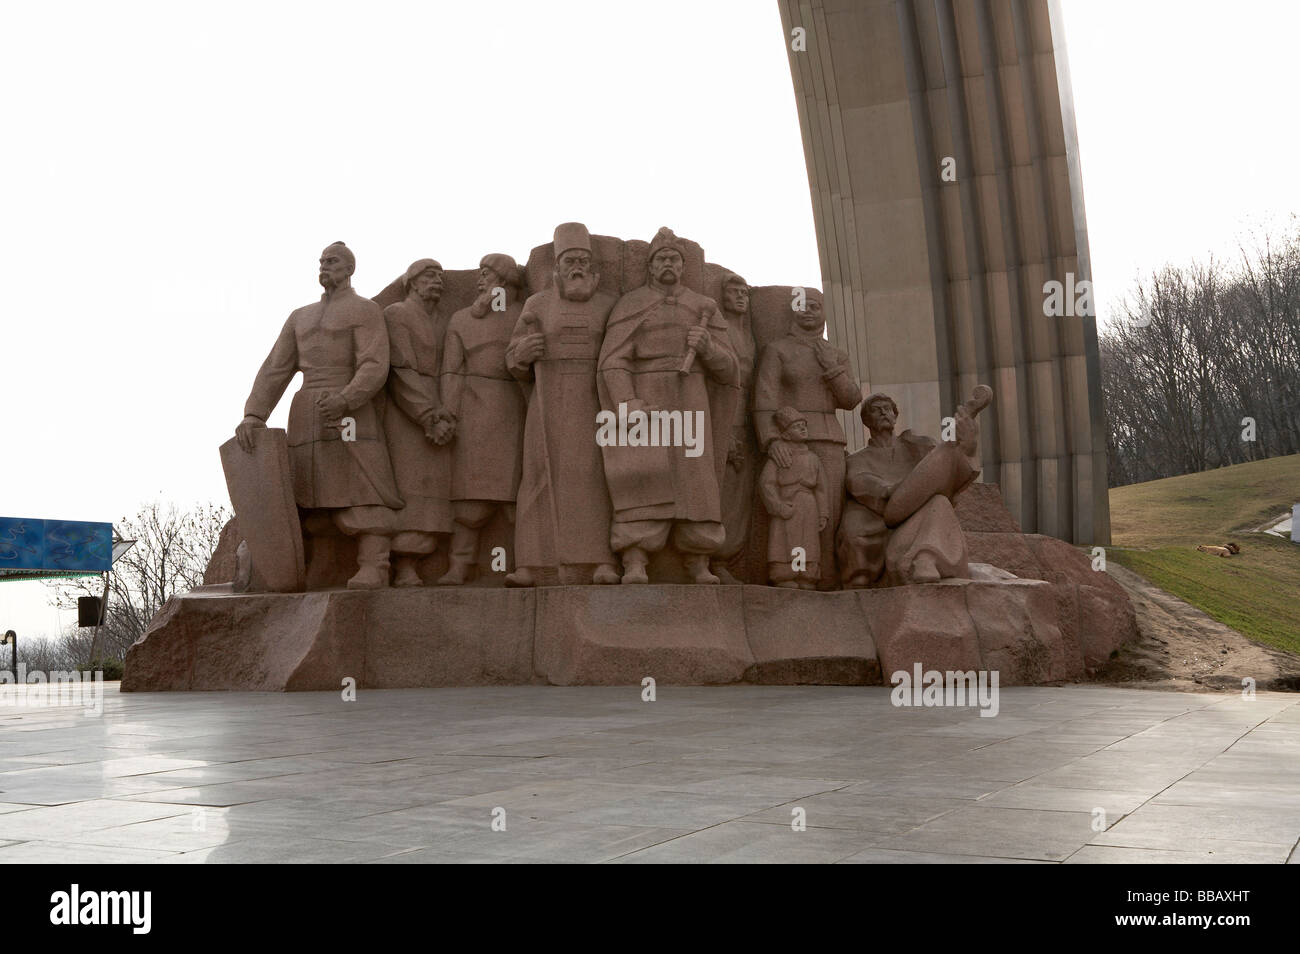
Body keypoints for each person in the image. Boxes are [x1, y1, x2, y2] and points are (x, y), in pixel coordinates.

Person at [235, 242, 401, 589]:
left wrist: (346, 399)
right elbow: (275, 369)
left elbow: (374, 364)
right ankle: (323, 563)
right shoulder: (300, 317)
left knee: (364, 484)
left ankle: (375, 564)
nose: (325, 266)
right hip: (306, 411)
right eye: (322, 261)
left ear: (349, 269)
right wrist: (254, 414)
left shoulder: (364, 310)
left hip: (351, 409)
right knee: (309, 490)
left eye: (333, 261)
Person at [597, 227, 738, 584]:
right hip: (646, 397)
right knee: (641, 477)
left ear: (683, 265)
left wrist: (708, 348)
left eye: (673, 259)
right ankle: (635, 557)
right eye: (661, 259)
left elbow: (729, 370)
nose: (667, 264)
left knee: (695, 479)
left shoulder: (703, 307)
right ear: (650, 266)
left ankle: (697, 560)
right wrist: (626, 402)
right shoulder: (630, 305)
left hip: (691, 398)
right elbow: (613, 360)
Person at [504, 223, 619, 586]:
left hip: (593, 399)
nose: (578, 267)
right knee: (539, 475)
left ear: (594, 268)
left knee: (592, 477)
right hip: (548, 398)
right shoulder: (537, 304)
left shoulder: (609, 305)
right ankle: (533, 565)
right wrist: (522, 353)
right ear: (556, 268)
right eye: (570, 260)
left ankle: (600, 560)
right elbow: (512, 356)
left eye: (584, 260)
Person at [753, 288, 861, 588]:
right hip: (789, 440)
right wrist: (772, 440)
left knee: (826, 514)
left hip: (828, 438)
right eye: (802, 305)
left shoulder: (836, 354)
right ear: (793, 312)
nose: (809, 311)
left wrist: (833, 368)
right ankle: (788, 574)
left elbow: (852, 399)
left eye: (815, 306)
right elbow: (764, 398)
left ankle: (821, 577)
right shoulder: (778, 350)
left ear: (824, 312)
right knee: (788, 513)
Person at [837, 386, 992, 586]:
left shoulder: (918, 446)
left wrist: (968, 446)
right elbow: (862, 485)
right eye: (877, 409)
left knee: (939, 503)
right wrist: (901, 488)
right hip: (884, 518)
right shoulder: (858, 459)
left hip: (916, 515)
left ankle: (925, 559)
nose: (884, 412)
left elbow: (947, 471)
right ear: (866, 420)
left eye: (888, 408)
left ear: (895, 415)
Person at [437, 253, 527, 584]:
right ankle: (460, 564)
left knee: (518, 496)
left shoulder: (522, 314)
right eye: (481, 273)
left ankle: (524, 563)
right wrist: (448, 410)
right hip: (472, 411)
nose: (481, 279)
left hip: (513, 408)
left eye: (487, 273)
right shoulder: (461, 320)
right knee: (468, 499)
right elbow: (452, 370)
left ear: (504, 280)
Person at [382, 258, 455, 586]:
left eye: (440, 276)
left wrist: (446, 412)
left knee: (437, 491)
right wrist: (427, 415)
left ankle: (433, 559)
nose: (437, 281)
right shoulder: (397, 314)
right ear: (412, 281)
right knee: (410, 489)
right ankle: (404, 564)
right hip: (407, 413)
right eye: (429, 275)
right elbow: (400, 371)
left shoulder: (443, 319)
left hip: (441, 405)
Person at [759, 407, 829, 589]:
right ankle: (784, 575)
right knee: (784, 541)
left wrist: (823, 513)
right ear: (786, 434)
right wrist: (777, 506)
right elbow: (767, 483)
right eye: (797, 427)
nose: (803, 429)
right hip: (787, 505)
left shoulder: (813, 458)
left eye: (804, 425)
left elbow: (821, 488)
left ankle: (806, 575)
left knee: (807, 542)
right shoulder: (779, 457)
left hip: (808, 505)